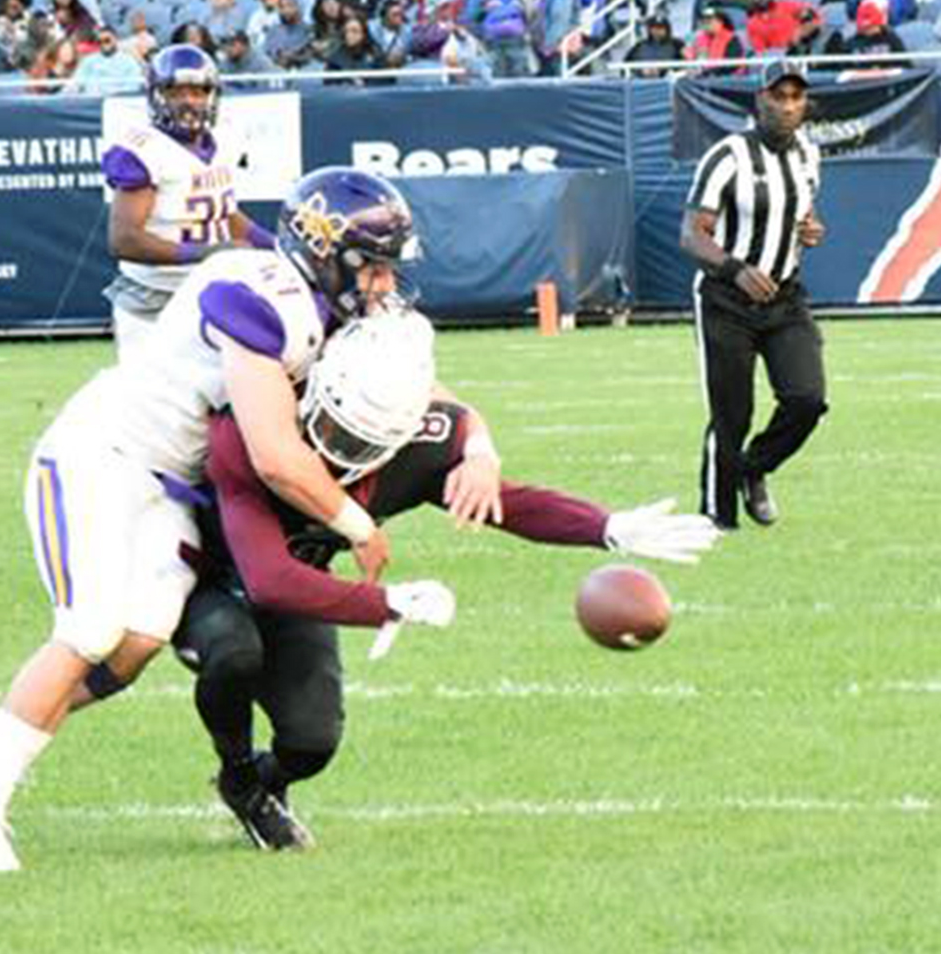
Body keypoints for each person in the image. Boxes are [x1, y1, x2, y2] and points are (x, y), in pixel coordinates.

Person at [0, 169, 432, 874]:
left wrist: (477, 442)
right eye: (374, 267)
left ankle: (4, 731)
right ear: (327, 253)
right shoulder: (268, 301)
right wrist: (359, 525)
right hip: (99, 456)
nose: (384, 285)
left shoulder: (310, 298)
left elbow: (415, 388)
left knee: (136, 647)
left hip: (169, 485)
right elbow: (274, 455)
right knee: (90, 629)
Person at [176, 310, 720, 848]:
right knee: (234, 651)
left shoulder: (420, 445)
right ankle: (239, 769)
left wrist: (606, 527)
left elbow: (504, 501)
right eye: (334, 430)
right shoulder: (251, 432)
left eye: (365, 446)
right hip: (206, 573)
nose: (342, 456)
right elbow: (267, 578)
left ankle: (259, 786)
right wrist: (384, 603)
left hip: (304, 581)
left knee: (313, 743)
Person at [679, 60, 828, 531]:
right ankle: (716, 519)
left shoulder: (808, 154)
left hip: (784, 297)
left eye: (795, 97)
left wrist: (810, 229)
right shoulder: (727, 157)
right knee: (731, 414)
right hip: (726, 300)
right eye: (778, 97)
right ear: (758, 100)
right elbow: (691, 233)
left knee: (807, 399)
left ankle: (754, 468)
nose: (787, 107)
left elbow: (802, 211)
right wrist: (733, 268)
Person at [100, 44, 271, 355]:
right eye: (176, 93)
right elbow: (124, 240)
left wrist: (275, 245)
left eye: (198, 92)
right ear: (156, 96)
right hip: (153, 296)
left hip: (209, 289)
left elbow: (224, 215)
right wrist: (206, 253)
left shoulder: (227, 140)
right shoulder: (144, 149)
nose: (189, 102)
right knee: (151, 397)